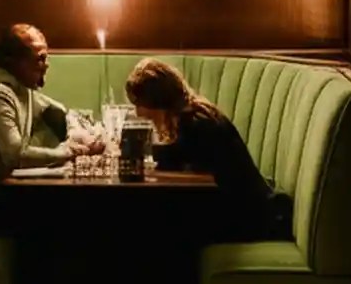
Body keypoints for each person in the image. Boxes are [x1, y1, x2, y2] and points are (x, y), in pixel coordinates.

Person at [0, 23, 103, 237]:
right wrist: (67, 152)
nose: (46, 65)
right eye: (40, 59)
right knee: (75, 214)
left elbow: (60, 112)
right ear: (13, 63)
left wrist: (82, 133)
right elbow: (16, 155)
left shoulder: (22, 89)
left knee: (79, 211)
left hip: (5, 194)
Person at [125, 57, 293, 242]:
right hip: (249, 210)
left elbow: (177, 166)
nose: (138, 113)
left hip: (250, 221)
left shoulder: (195, 125)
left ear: (157, 100)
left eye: (139, 104)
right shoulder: (195, 114)